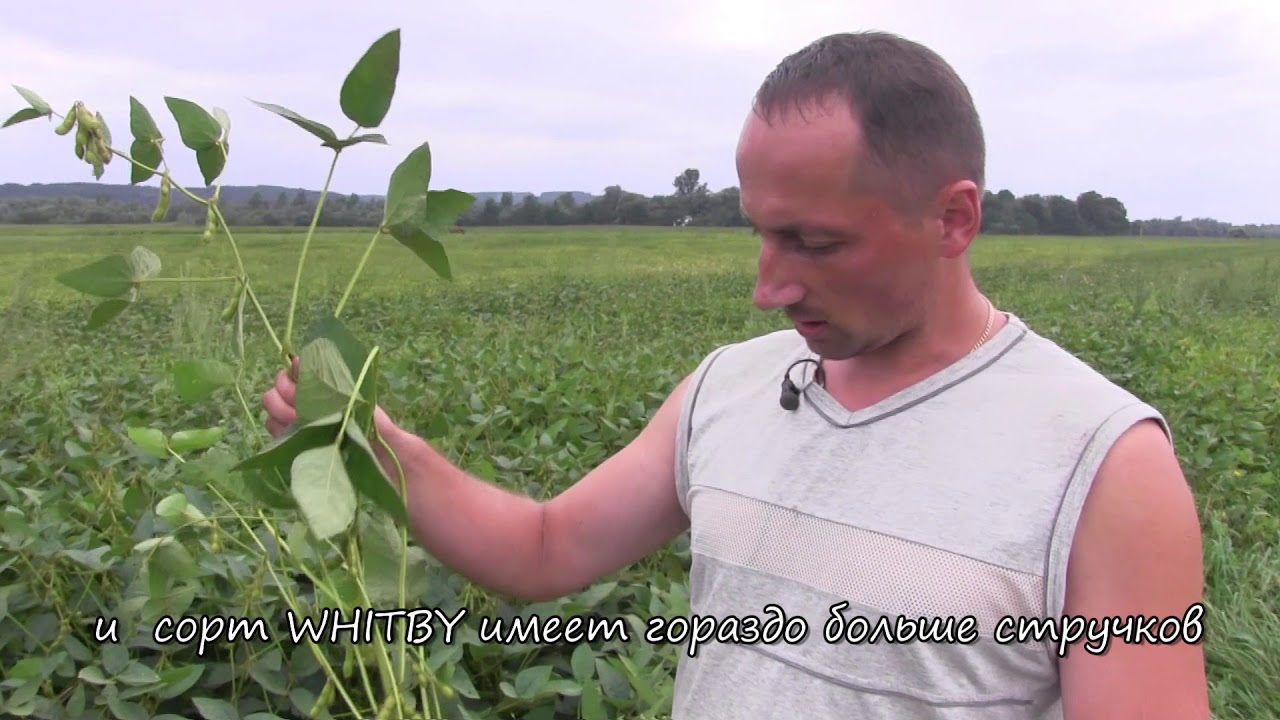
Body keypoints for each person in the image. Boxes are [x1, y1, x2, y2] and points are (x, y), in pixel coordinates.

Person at [263, 31, 1210, 720]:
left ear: (953, 219)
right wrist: (379, 453)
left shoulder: (1100, 462)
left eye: (815, 241)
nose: (768, 287)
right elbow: (546, 548)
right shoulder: (731, 388)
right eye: (760, 231)